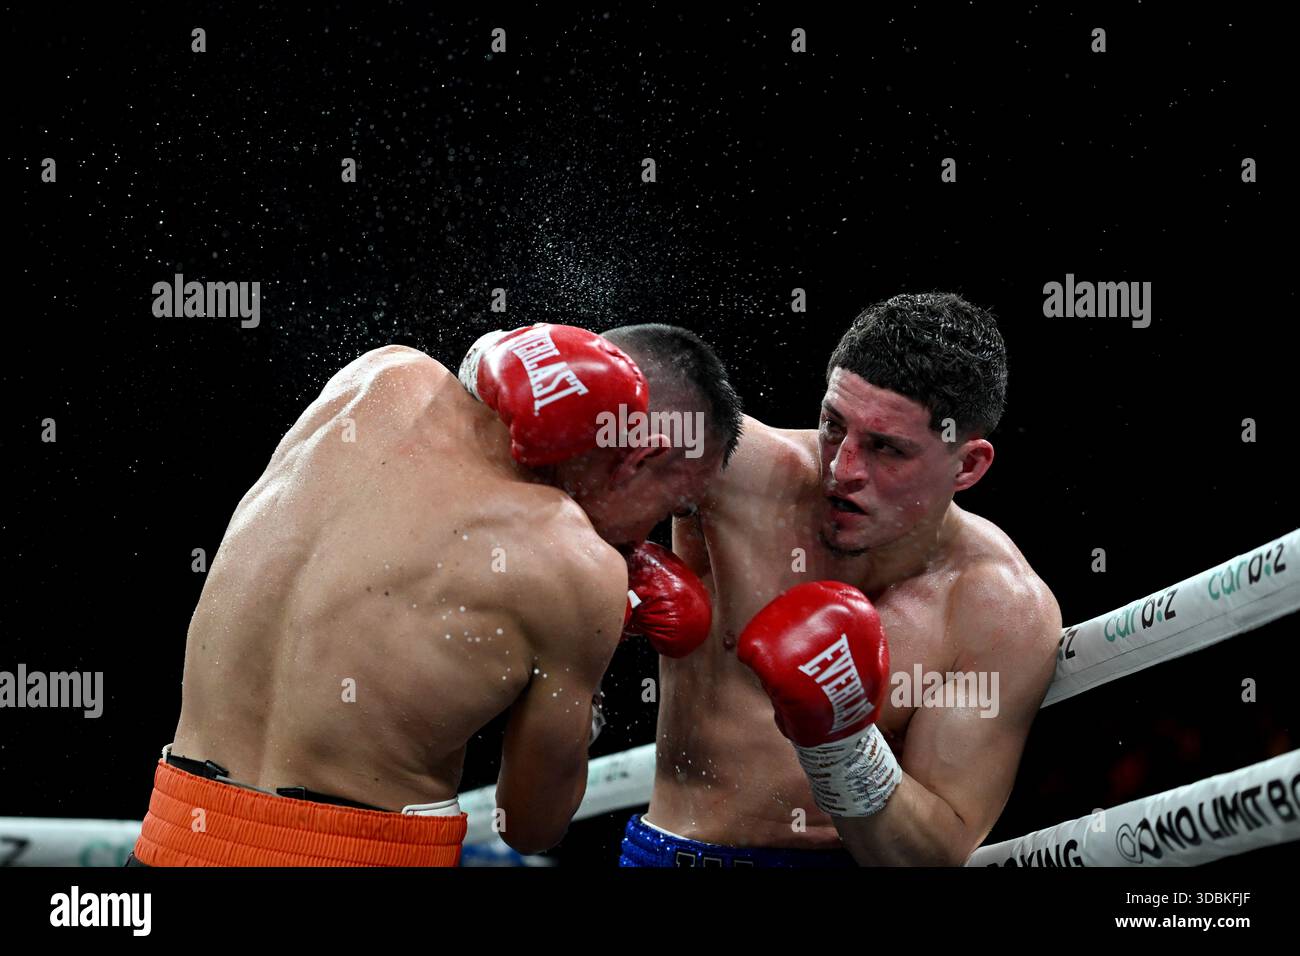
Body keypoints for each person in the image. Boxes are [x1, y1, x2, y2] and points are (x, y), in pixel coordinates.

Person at [131, 322, 740, 866]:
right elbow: (531, 827)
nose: (651, 538)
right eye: (676, 507)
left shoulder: (379, 376)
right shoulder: (574, 565)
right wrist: (587, 665)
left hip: (171, 838)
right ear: (639, 458)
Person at [625, 293, 1061, 867]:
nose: (841, 469)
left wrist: (843, 745)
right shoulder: (737, 472)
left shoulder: (1000, 607)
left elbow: (933, 852)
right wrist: (610, 588)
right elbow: (555, 404)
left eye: (885, 448)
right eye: (835, 426)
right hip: (674, 855)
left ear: (969, 465)